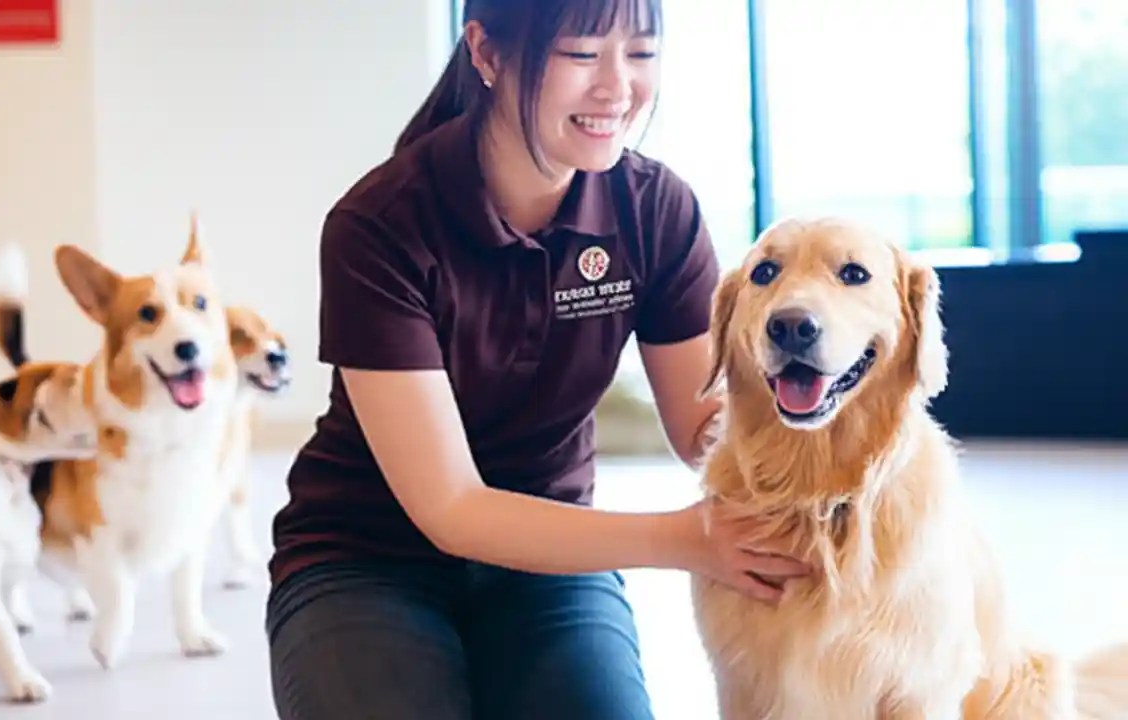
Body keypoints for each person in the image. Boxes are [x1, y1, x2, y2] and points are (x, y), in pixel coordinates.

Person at [264, 0, 811, 717]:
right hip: (363, 560)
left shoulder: (654, 209)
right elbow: (451, 507)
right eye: (583, 54)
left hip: (552, 563)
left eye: (641, 54)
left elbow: (705, 426)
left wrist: (828, 446)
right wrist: (682, 538)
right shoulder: (380, 225)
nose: (618, 88)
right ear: (487, 54)